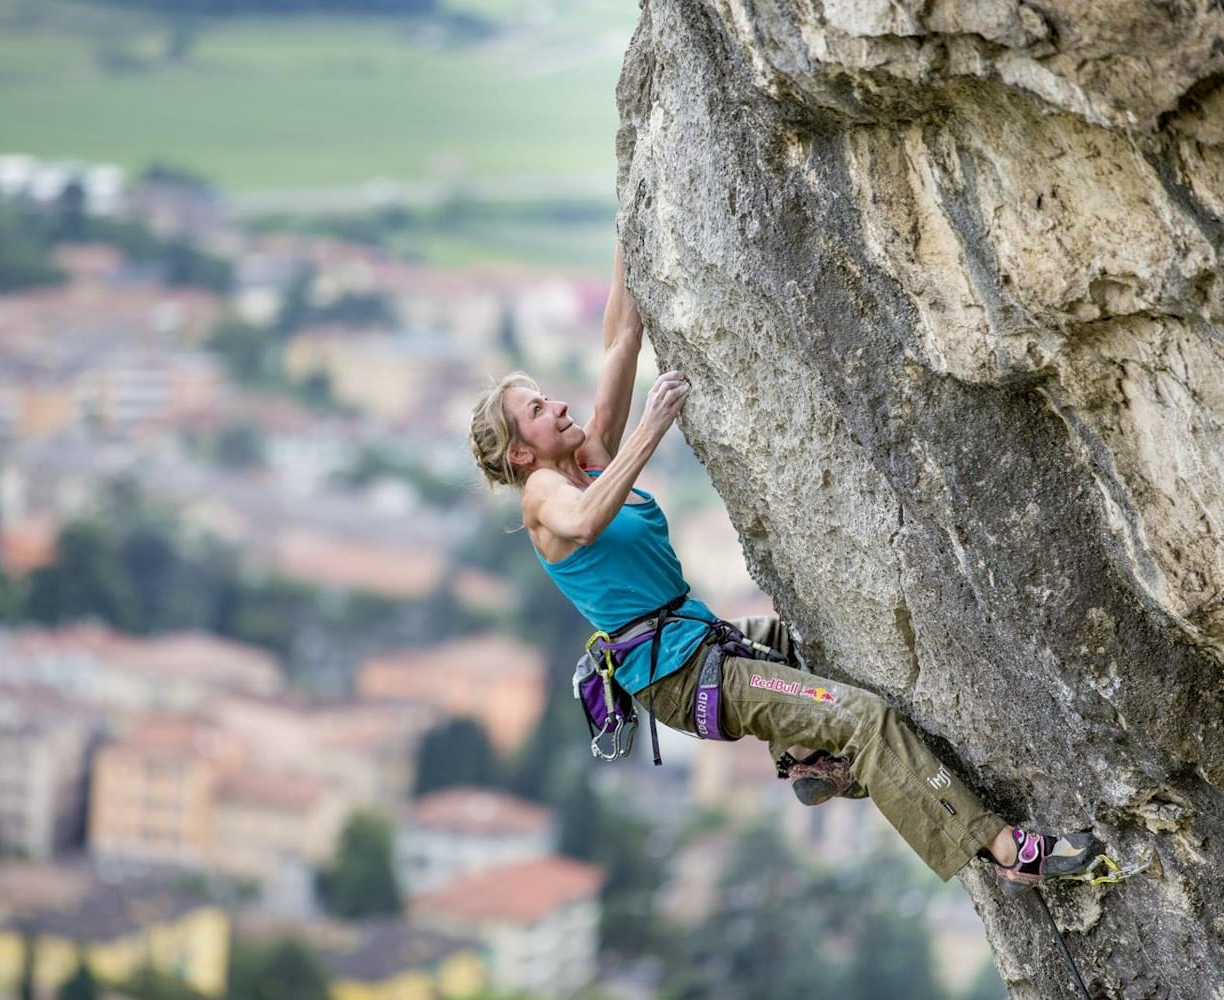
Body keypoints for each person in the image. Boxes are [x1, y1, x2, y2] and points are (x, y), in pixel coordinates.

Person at [468, 243, 1099, 893]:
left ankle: (803, 759)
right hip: (681, 676)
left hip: (701, 641)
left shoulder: (590, 456)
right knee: (864, 717)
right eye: (539, 411)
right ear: (519, 453)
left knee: (816, 635)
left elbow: (621, 337)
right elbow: (583, 521)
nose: (559, 407)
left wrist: (630, 230)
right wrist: (650, 429)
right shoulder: (546, 495)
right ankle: (1005, 850)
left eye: (546, 398)